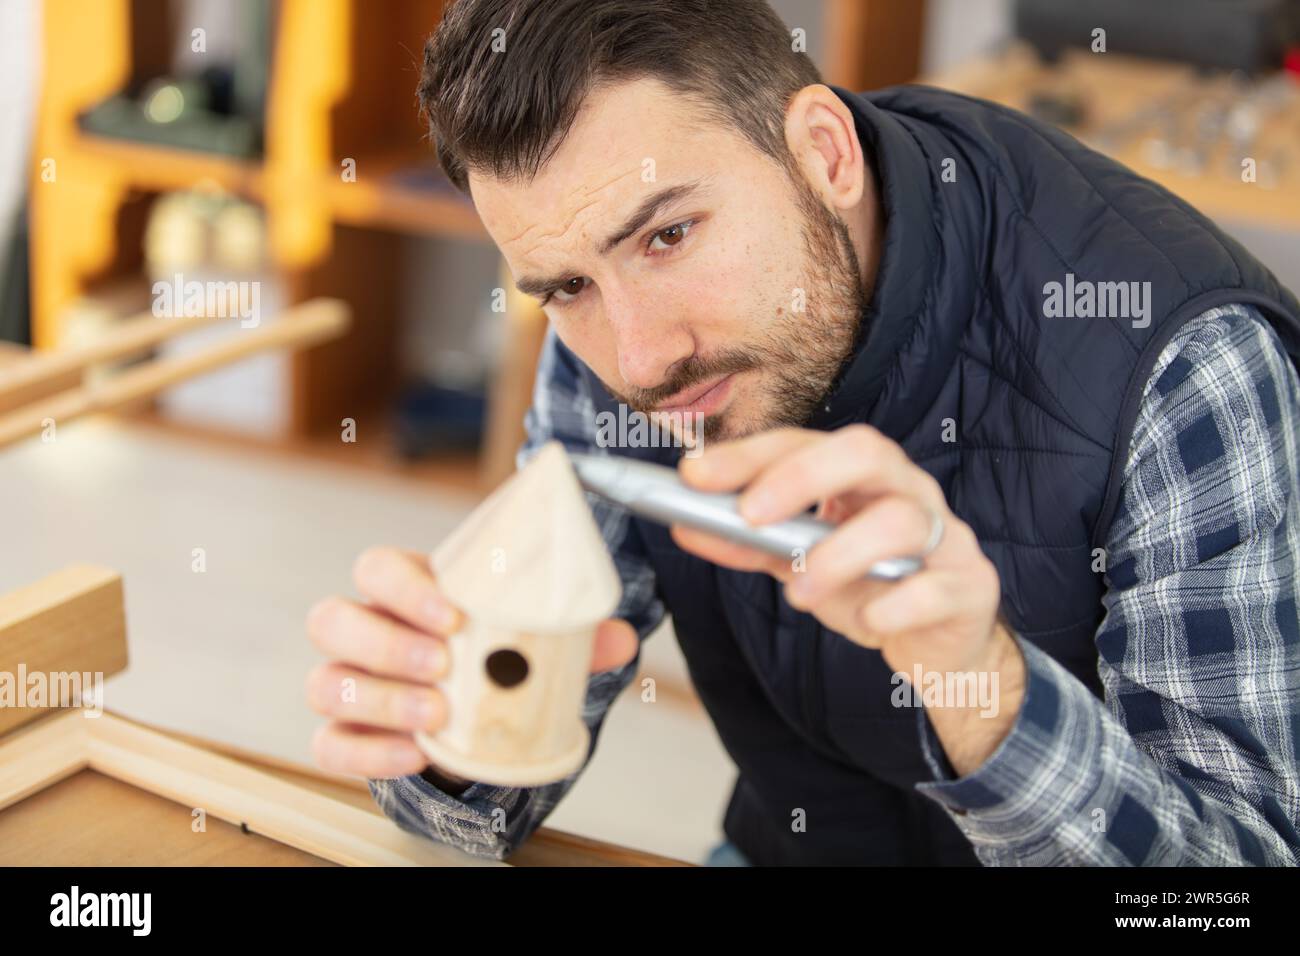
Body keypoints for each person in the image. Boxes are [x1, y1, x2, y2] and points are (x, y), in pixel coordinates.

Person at [304, 0, 1300, 865]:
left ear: (822, 153)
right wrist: (438, 726)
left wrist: (986, 691)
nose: (642, 360)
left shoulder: (1186, 365)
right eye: (565, 286)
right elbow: (472, 813)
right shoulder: (616, 340)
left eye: (668, 234)